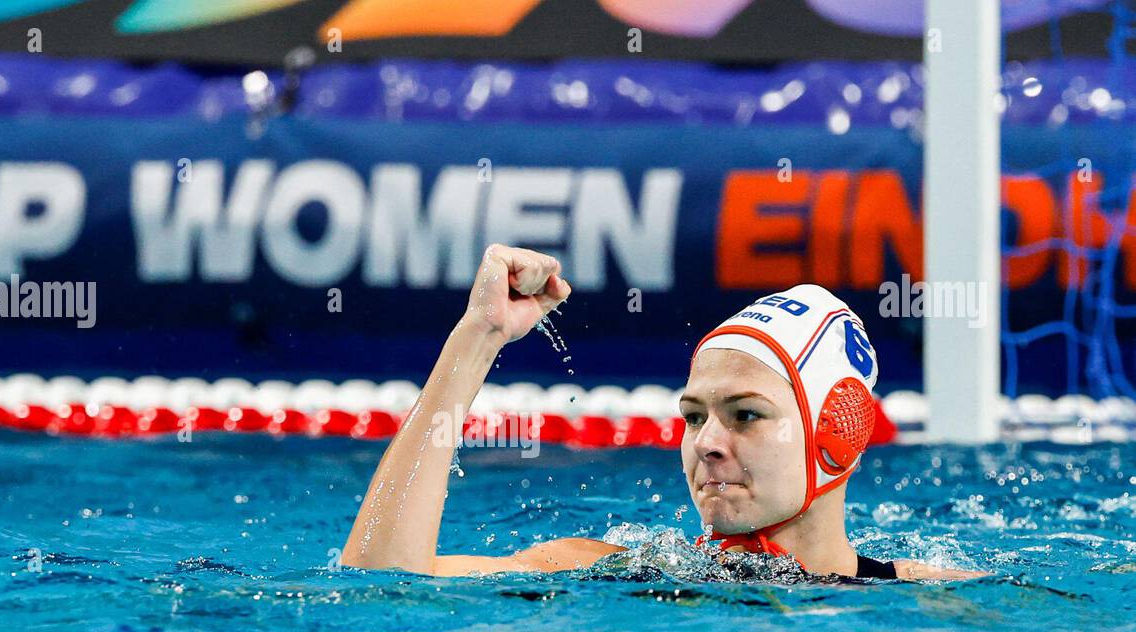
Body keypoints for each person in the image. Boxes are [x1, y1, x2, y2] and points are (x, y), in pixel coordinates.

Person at [340, 244, 981, 581]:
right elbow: (383, 583)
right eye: (694, 415)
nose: (707, 444)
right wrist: (478, 337)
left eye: (746, 415)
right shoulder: (609, 573)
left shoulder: (934, 600)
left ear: (837, 433)